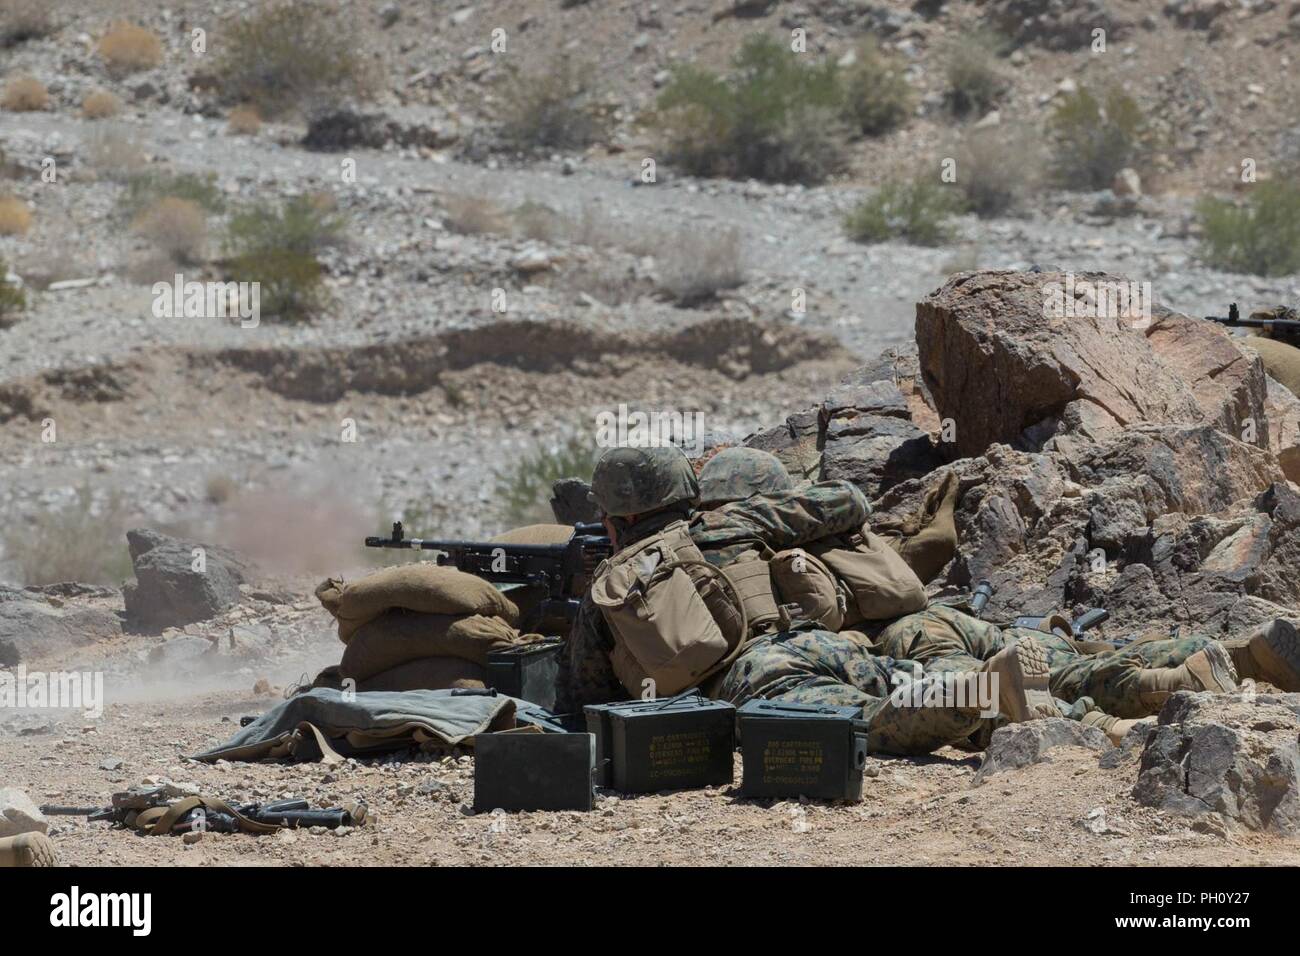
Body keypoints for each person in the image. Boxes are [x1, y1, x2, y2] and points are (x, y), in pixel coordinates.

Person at [557, 444, 1070, 756]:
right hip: (821, 643)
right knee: (905, 683)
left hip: (754, 680)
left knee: (872, 721)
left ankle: (984, 693)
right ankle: (1067, 713)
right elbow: (849, 500)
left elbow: (582, 707)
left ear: (614, 518)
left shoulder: (609, 588)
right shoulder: (734, 521)